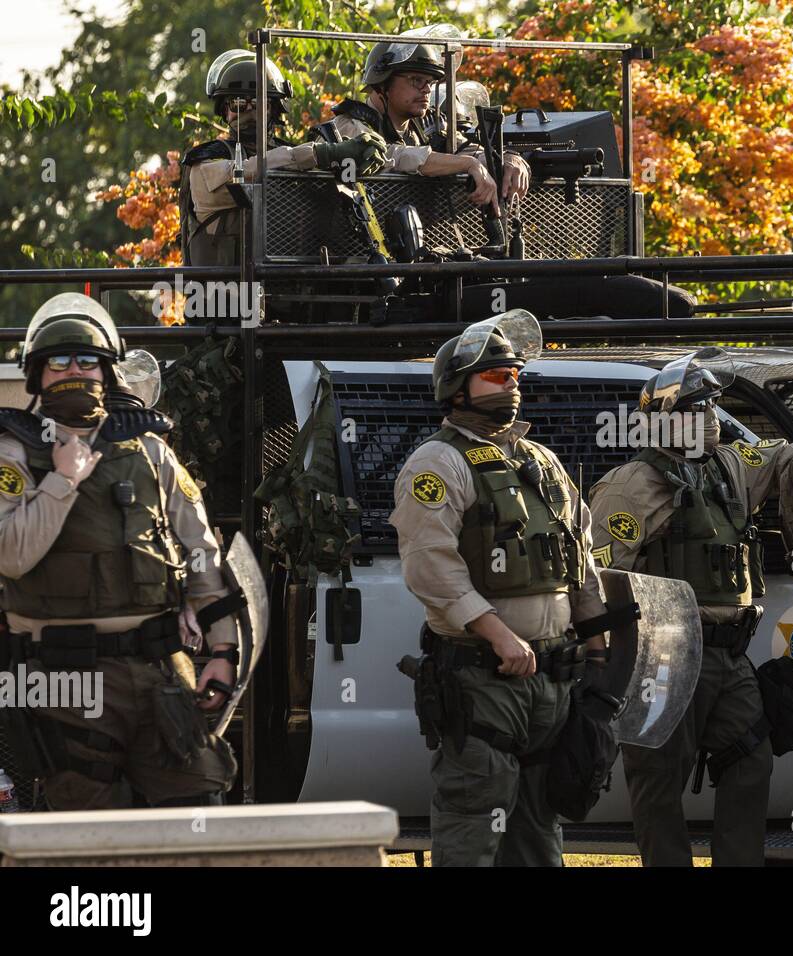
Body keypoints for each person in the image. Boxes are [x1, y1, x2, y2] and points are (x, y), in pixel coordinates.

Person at [0, 293, 241, 809]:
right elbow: (11, 555)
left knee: (198, 814)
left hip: (160, 672)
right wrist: (63, 480)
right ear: (37, 373)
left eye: (88, 360)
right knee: (89, 833)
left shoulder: (150, 450)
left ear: (107, 373)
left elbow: (202, 557)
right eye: (59, 360)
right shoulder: (13, 451)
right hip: (64, 683)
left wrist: (222, 652)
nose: (75, 371)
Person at [390, 310, 607, 866]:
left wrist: (596, 644)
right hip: (482, 679)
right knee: (473, 825)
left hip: (554, 680)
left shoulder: (540, 461)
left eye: (515, 375)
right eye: (497, 376)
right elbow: (430, 567)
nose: (512, 385)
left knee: (539, 833)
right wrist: (500, 637)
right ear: (458, 390)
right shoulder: (436, 463)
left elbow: (579, 554)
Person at [587, 351, 793, 866]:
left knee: (751, 761)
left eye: (711, 405)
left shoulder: (727, 466)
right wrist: (611, 663)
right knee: (659, 782)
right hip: (665, 654)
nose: (710, 417)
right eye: (696, 407)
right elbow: (597, 580)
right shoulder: (630, 486)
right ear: (663, 420)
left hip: (731, 655)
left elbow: (782, 458)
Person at [180, 48, 387, 266]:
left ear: (275, 109)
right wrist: (322, 153)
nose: (249, 111)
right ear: (224, 110)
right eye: (238, 104)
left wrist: (352, 162)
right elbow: (243, 173)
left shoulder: (298, 157)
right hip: (225, 296)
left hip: (290, 288)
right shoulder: (205, 161)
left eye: (260, 103)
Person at [319, 26, 527, 212]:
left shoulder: (429, 123)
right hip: (352, 249)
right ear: (381, 84)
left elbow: (464, 147)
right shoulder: (348, 125)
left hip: (416, 244)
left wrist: (506, 159)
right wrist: (468, 164)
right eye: (416, 80)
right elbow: (393, 155)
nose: (427, 89)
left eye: (430, 82)